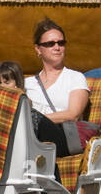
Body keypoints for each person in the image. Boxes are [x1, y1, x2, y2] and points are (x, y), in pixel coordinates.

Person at [24, 18, 91, 156]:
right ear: (38, 49)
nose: (57, 47)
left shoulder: (75, 77)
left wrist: (37, 119)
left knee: (29, 118)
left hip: (64, 136)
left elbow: (73, 114)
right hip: (31, 136)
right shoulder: (27, 83)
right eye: (50, 44)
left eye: (61, 43)